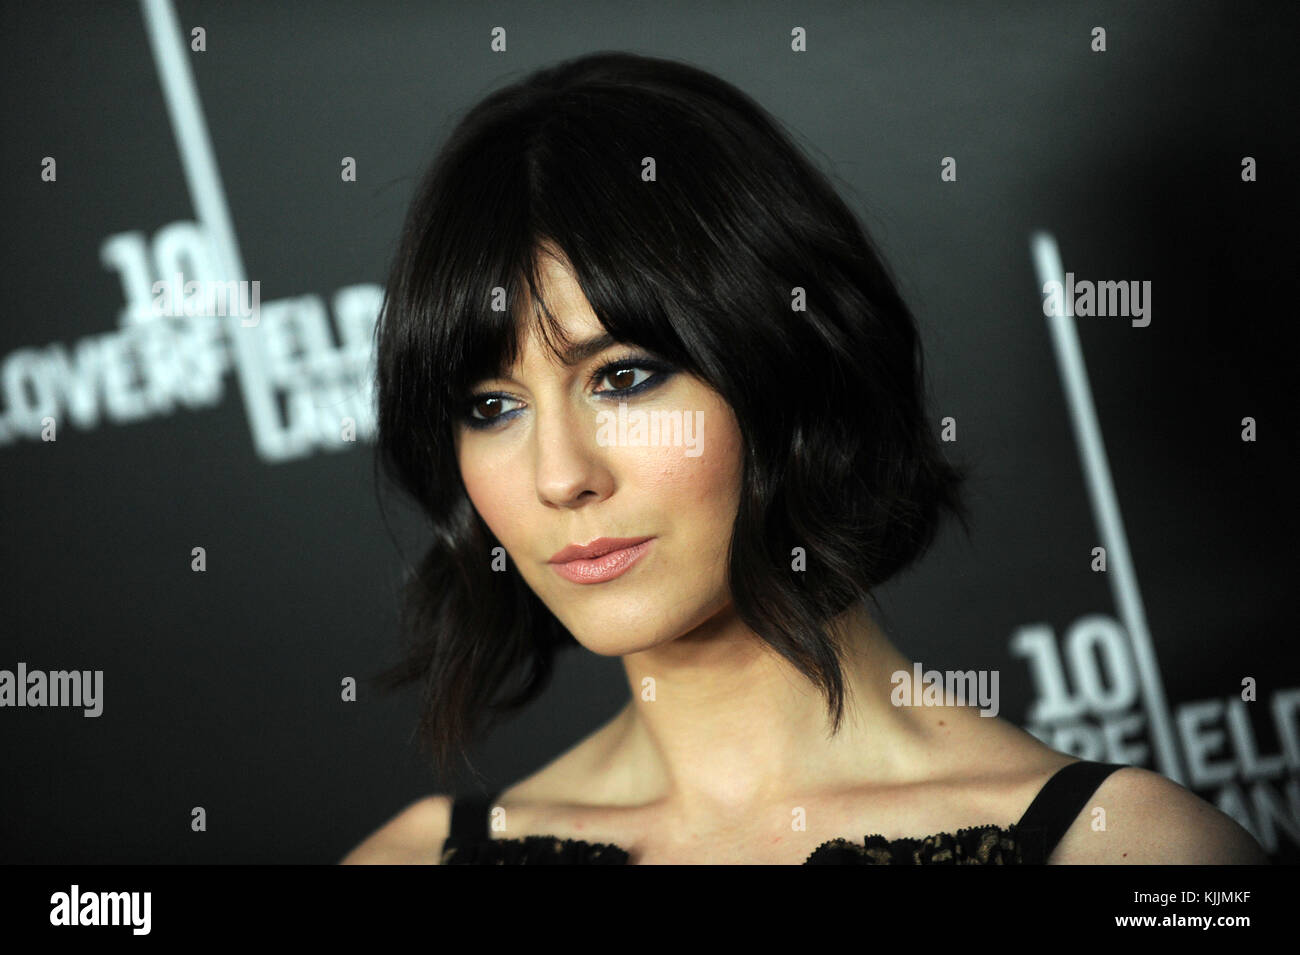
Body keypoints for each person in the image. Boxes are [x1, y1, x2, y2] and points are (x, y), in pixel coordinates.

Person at [342, 51, 1266, 865]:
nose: (559, 474)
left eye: (624, 379)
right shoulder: (414, 859)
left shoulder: (1139, 855)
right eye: (492, 406)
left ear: (784, 367)